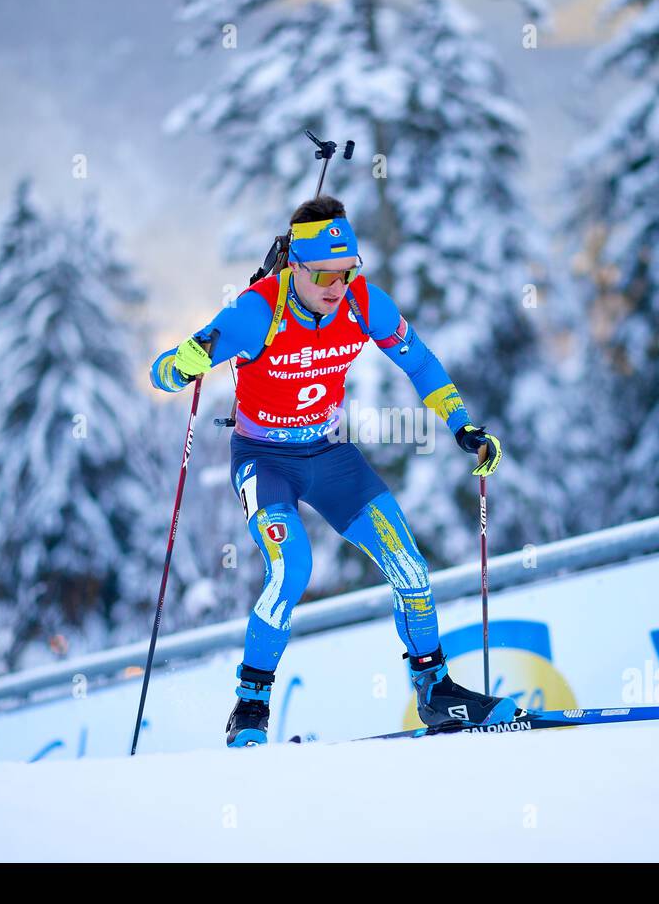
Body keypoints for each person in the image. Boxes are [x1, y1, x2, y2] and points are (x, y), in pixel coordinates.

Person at [150, 194, 516, 746]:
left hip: (328, 453)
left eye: (347, 273)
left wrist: (462, 426)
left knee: (410, 568)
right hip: (264, 461)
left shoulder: (364, 304)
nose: (336, 287)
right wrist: (182, 364)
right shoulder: (257, 311)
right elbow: (164, 373)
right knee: (291, 569)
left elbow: (419, 361)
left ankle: (435, 693)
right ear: (294, 265)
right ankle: (249, 709)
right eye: (323, 274)